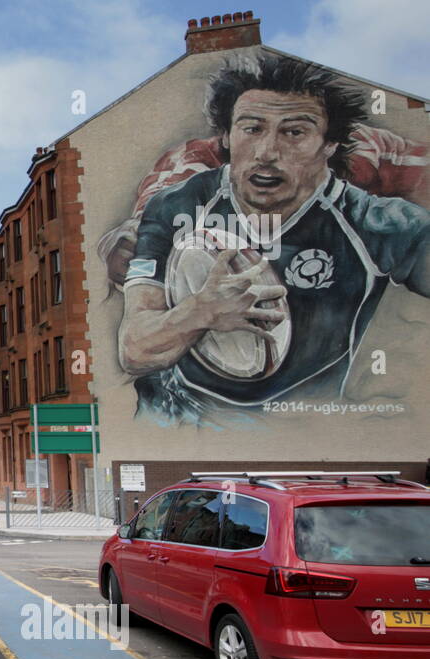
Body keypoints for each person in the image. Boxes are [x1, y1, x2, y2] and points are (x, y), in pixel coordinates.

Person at [116, 53, 429, 422]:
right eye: (251, 129)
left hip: (310, 425)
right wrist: (200, 312)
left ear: (329, 144)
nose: (267, 152)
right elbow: (134, 349)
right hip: (175, 416)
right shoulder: (178, 205)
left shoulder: (376, 223)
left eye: (294, 132)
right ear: (227, 137)